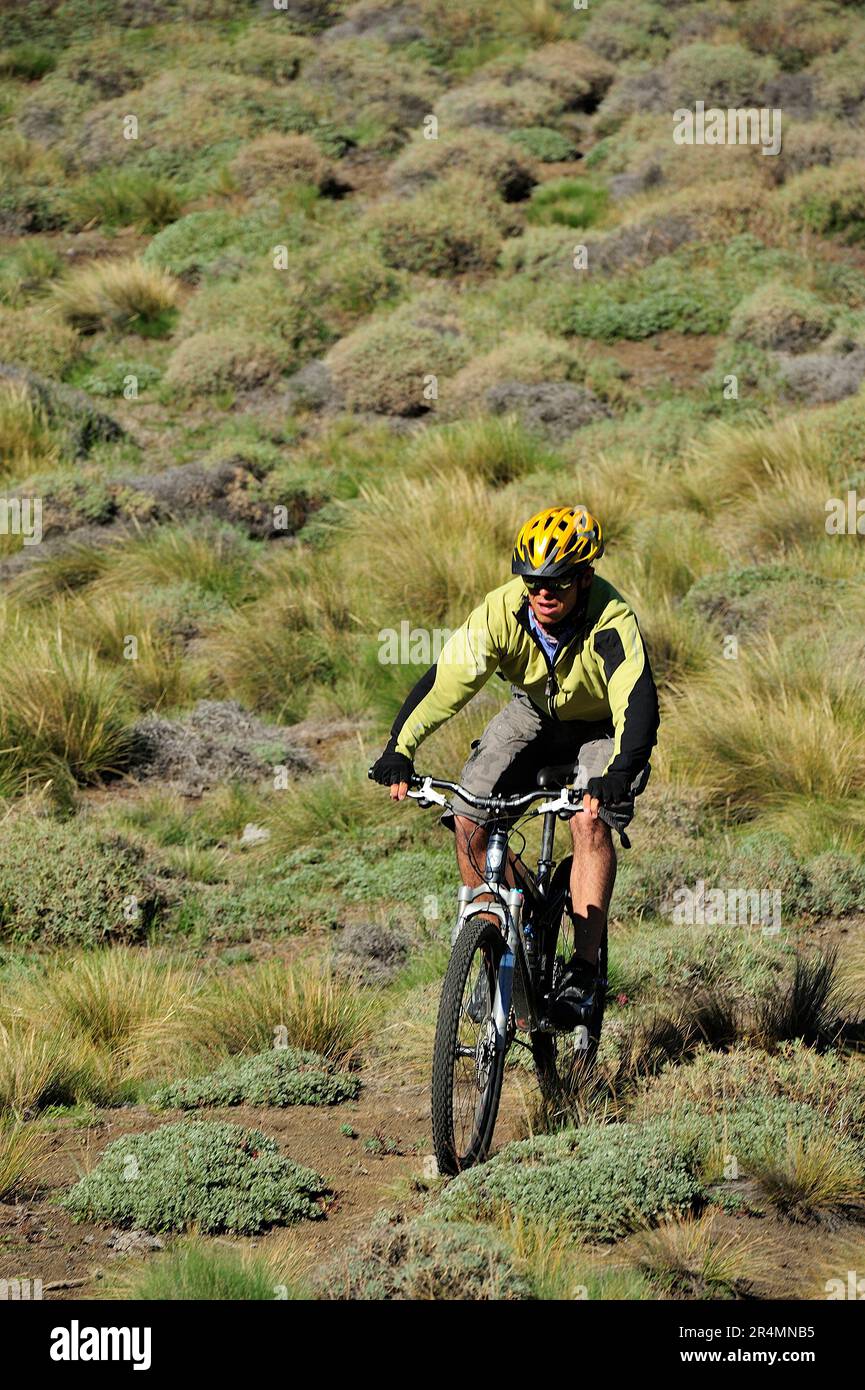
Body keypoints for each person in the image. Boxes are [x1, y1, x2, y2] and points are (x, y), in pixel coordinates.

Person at [370, 504, 659, 1029]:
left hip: (601, 727)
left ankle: (585, 971)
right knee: (468, 816)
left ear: (585, 577)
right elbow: (448, 680)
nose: (543, 593)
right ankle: (499, 946)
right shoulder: (502, 611)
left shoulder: (610, 619)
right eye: (532, 581)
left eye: (557, 581)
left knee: (589, 820)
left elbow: (636, 703)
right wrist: (400, 747)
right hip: (533, 714)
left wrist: (618, 773)